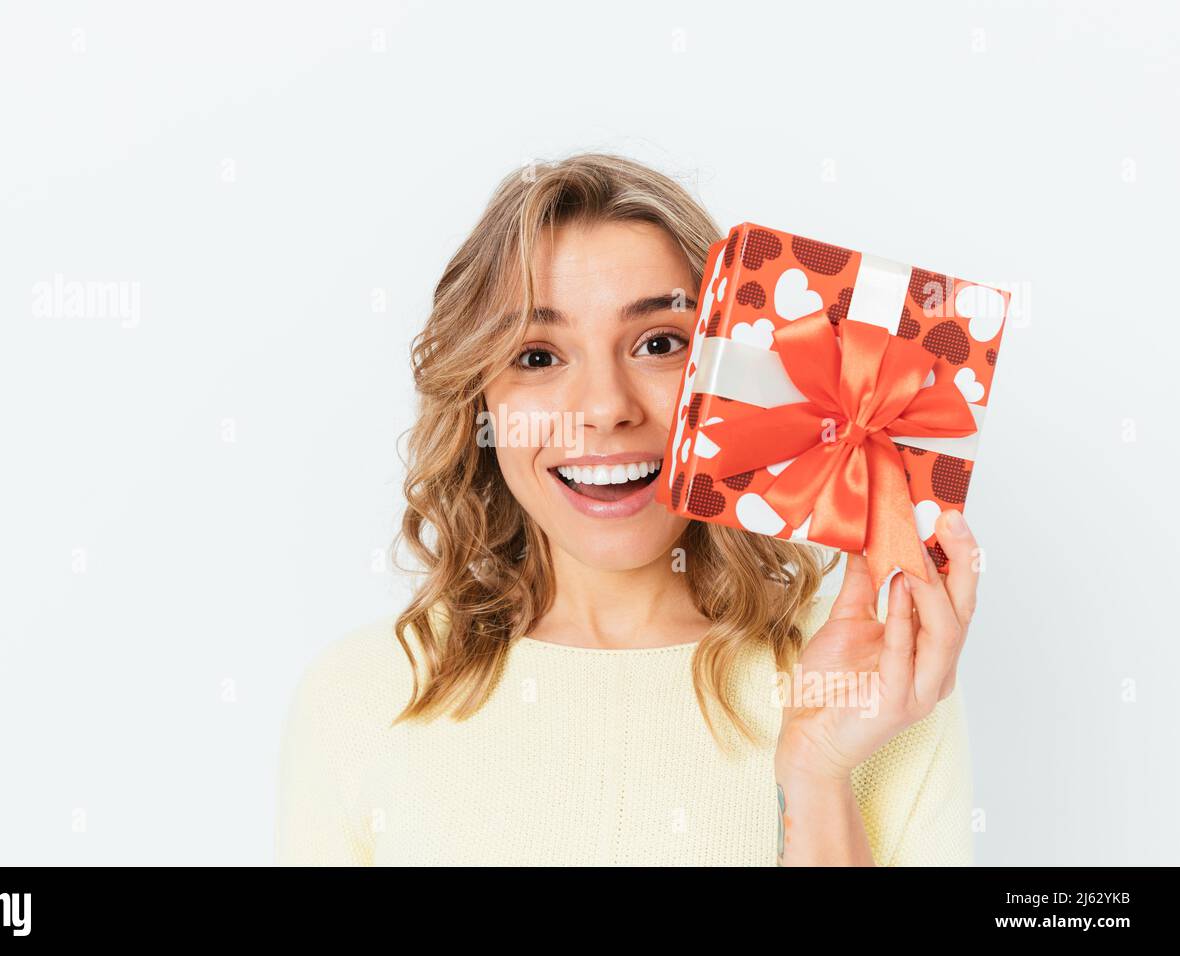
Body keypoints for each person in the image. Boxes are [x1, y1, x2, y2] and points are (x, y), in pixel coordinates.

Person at [277, 153, 978, 866]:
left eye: (660, 344)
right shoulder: (361, 696)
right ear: (478, 398)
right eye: (539, 356)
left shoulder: (879, 682)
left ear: (730, 368)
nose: (607, 408)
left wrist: (818, 774)